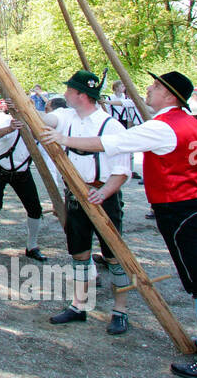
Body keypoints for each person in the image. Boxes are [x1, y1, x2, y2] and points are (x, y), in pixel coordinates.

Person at [44, 71, 197, 378]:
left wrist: (64, 140)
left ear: (170, 96)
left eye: (157, 87)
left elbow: (113, 144)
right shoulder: (189, 122)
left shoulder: (164, 126)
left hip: (182, 210)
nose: (149, 89)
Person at [39, 71, 133, 334]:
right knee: (79, 253)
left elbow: (122, 170)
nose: (65, 94)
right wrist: (21, 108)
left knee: (114, 256)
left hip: (104, 196)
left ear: (81, 95)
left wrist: (103, 194)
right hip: (76, 196)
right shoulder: (67, 116)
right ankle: (79, 305)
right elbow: (46, 119)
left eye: (69, 90)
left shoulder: (111, 125)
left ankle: (120, 310)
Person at [0, 97, 46, 263]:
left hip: (20, 172)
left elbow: (46, 162)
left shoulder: (41, 132)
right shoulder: (12, 122)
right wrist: (9, 129)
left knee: (35, 208)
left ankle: (32, 246)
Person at [105, 79, 143, 179]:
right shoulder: (111, 97)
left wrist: (106, 101)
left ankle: (130, 169)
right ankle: (114, 167)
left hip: (125, 123)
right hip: (115, 123)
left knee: (129, 147)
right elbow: (107, 112)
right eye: (122, 86)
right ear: (116, 87)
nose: (124, 88)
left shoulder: (126, 99)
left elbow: (123, 104)